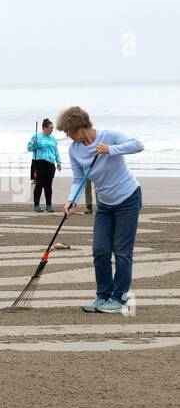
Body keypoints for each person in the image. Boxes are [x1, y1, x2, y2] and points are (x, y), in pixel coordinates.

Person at [55, 106, 144, 313]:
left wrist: (110, 150)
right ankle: (103, 296)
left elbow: (138, 145)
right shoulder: (74, 149)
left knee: (122, 251)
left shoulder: (109, 136)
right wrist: (72, 201)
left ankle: (119, 299)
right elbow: (79, 179)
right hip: (105, 204)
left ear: (79, 127)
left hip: (128, 198)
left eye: (69, 131)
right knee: (100, 250)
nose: (68, 136)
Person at [26, 118, 61, 212]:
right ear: (44, 128)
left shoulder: (53, 138)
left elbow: (56, 151)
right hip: (39, 162)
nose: (51, 130)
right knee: (39, 185)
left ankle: (49, 205)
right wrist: (34, 143)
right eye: (50, 128)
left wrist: (59, 162)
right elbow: (29, 148)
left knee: (48, 185)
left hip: (50, 163)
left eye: (52, 128)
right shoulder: (37, 137)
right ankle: (36, 205)